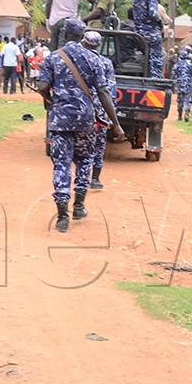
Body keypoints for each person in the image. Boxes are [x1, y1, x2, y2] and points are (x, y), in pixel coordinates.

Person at [36, 19, 117, 233]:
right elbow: (103, 92)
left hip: (60, 119)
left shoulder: (53, 58)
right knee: (84, 160)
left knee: (61, 164)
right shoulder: (93, 58)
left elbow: (42, 85)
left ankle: (62, 217)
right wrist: (115, 123)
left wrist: (49, 99)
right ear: (82, 36)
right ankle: (79, 206)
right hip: (86, 120)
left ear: (63, 35)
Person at [81, 30, 120, 190]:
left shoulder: (78, 60)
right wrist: (112, 114)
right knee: (98, 144)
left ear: (84, 42)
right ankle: (95, 178)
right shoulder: (105, 63)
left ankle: (81, 179)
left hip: (81, 110)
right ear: (98, 44)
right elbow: (110, 89)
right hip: (101, 112)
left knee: (82, 145)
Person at [132, 0, 165, 79]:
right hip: (151, 33)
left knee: (144, 56)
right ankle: (156, 81)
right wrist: (160, 22)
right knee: (156, 58)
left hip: (138, 33)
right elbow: (153, 13)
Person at [172, 49, 192, 121]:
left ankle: (179, 116)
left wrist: (172, 85)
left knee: (180, 100)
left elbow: (173, 75)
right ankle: (186, 114)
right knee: (188, 100)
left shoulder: (177, 65)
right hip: (188, 84)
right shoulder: (190, 65)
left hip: (180, 84)